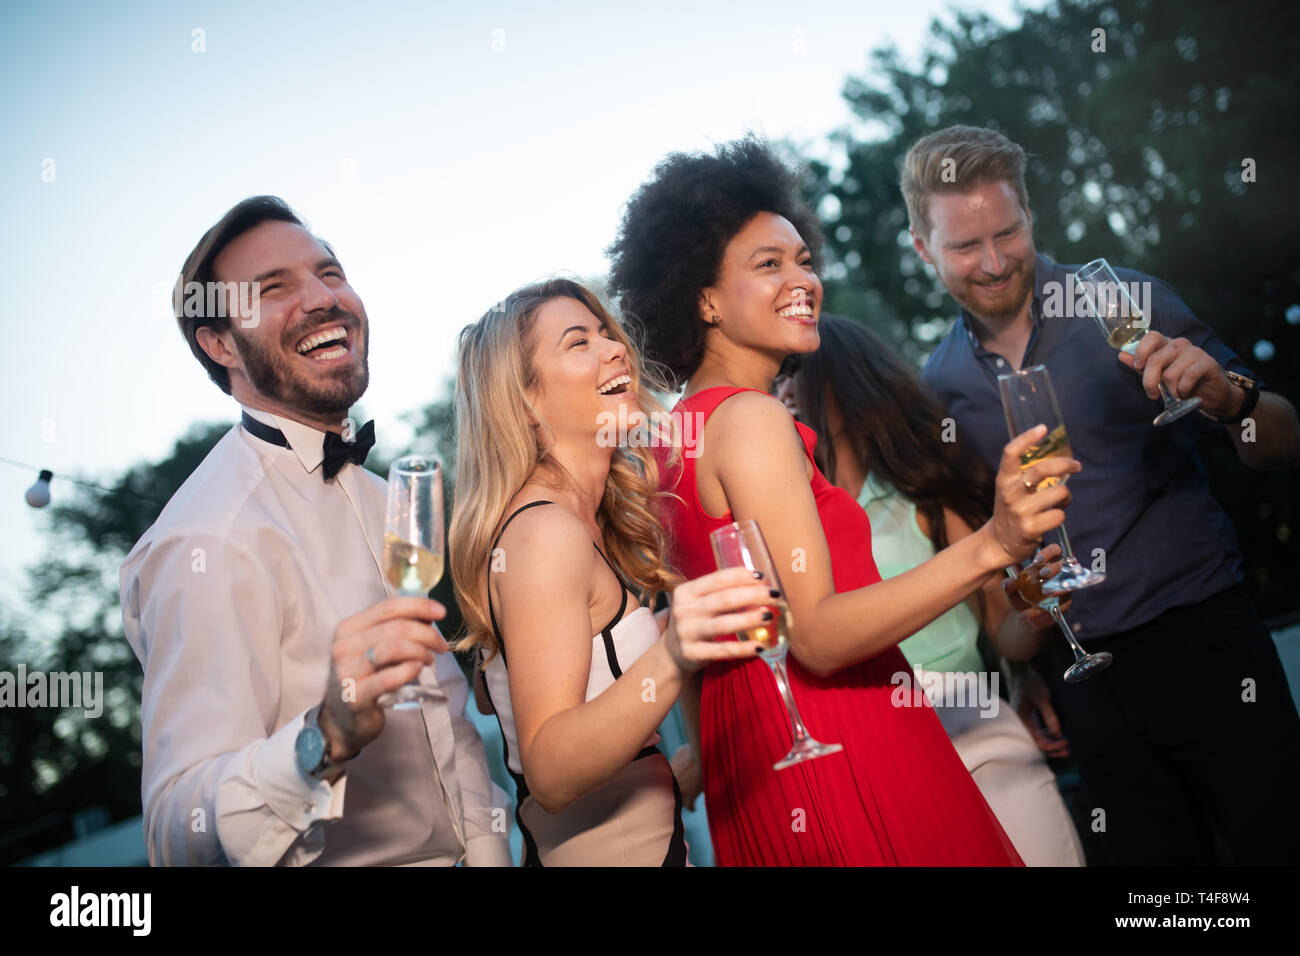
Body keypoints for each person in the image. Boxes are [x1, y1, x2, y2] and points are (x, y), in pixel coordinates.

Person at [606, 136, 1078, 866]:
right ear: (701, 297)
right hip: (848, 737)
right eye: (768, 264)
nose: (803, 279)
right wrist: (994, 543)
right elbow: (819, 634)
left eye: (804, 259)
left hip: (758, 762)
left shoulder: (668, 443)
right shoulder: (753, 419)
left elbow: (698, 656)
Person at [905, 124, 1300, 865]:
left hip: (1206, 638)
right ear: (924, 249)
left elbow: (1282, 440)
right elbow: (987, 565)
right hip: (1083, 676)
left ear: (1030, 216)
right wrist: (1020, 664)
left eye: (1008, 232)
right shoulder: (939, 386)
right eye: (965, 246)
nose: (993, 263)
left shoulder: (1122, 299)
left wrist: (1232, 400)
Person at [120, 196, 511, 866]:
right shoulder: (207, 540)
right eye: (273, 288)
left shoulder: (393, 499)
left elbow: (451, 734)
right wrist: (323, 736)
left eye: (329, 274)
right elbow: (173, 828)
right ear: (219, 345)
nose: (321, 298)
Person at [448, 278, 769, 865]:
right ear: (524, 400)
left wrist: (666, 772)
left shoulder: (572, 520)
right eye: (577, 343)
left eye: (605, 332)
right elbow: (549, 769)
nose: (616, 347)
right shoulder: (545, 533)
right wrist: (675, 653)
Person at [775, 314, 1085, 866]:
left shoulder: (923, 496)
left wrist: (1031, 611)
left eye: (792, 373)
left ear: (842, 381)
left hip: (971, 723)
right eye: (774, 380)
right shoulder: (784, 523)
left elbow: (1006, 636)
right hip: (867, 752)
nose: (779, 392)